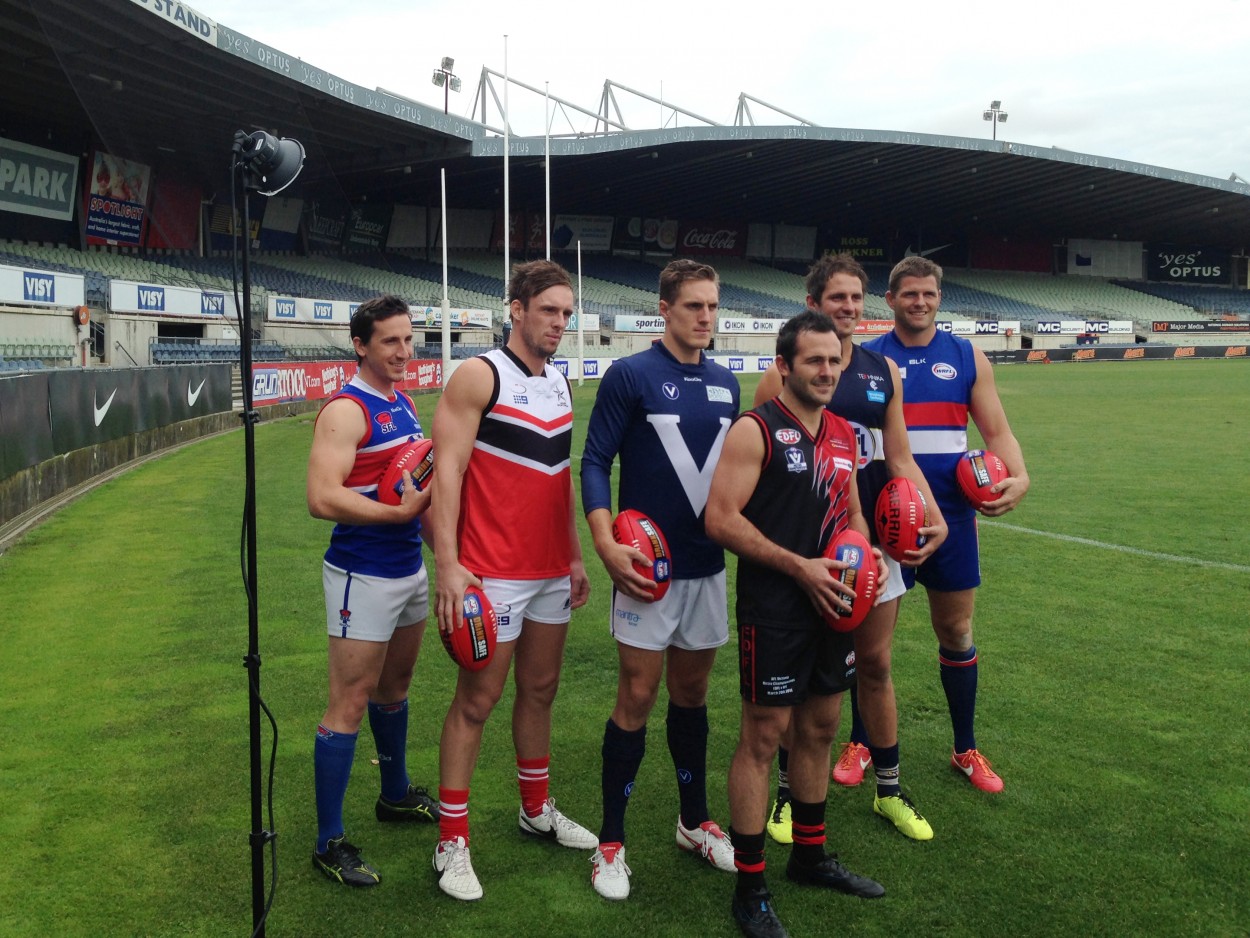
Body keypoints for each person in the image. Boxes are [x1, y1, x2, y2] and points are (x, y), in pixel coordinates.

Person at [706, 310, 889, 938]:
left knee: (821, 725)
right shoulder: (755, 431)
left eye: (834, 360)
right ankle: (750, 886)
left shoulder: (843, 433)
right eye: (814, 360)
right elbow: (721, 519)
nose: (827, 371)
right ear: (784, 365)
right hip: (776, 608)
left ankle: (810, 856)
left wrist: (858, 558)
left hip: (834, 604)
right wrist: (800, 567)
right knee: (763, 739)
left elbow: (856, 516)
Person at [754, 254, 948, 843]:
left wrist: (933, 515)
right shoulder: (786, 371)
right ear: (814, 303)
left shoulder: (882, 370)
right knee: (801, 681)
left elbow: (900, 457)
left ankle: (889, 789)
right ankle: (788, 797)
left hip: (871, 545)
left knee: (877, 664)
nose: (849, 308)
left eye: (857, 298)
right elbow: (763, 453)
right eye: (837, 298)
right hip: (805, 550)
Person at [428, 259, 595, 902]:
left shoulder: (559, 382)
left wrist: (575, 556)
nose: (559, 323)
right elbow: (447, 476)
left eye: (566, 313)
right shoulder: (478, 375)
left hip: (550, 568)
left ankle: (535, 808)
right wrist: (448, 564)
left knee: (541, 689)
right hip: (490, 570)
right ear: (516, 309)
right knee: (478, 699)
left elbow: (557, 479)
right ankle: (452, 840)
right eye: (549, 310)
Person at [580, 259, 741, 900]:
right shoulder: (631, 374)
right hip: (647, 571)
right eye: (694, 306)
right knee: (637, 696)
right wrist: (602, 541)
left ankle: (694, 821)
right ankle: (611, 842)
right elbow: (594, 462)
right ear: (665, 309)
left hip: (707, 568)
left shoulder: (729, 383)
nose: (705, 317)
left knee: (693, 697)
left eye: (712, 306)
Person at [862, 256, 1030, 793]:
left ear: (939, 297)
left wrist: (1020, 475)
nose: (920, 302)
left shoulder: (966, 357)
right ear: (889, 300)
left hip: (953, 514)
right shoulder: (868, 359)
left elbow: (996, 429)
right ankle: (862, 743)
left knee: (956, 630)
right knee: (872, 645)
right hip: (885, 514)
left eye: (928, 294)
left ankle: (964, 748)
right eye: (908, 294)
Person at [305, 293, 440, 887]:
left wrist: (451, 559)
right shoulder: (346, 409)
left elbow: (418, 493)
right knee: (351, 700)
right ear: (360, 345)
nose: (404, 352)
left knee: (396, 686)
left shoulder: (403, 402)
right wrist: (395, 517)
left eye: (409, 340)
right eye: (390, 341)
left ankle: (394, 794)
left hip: (408, 568)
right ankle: (328, 840)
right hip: (363, 572)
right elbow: (322, 497)